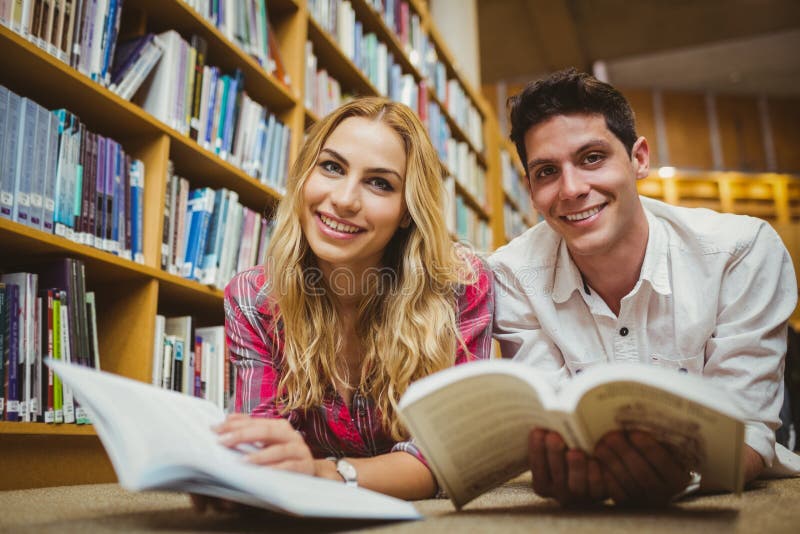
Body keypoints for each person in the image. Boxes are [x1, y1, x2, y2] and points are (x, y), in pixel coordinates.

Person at [490, 68, 798, 507]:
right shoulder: (511, 274)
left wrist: (679, 473)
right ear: (530, 190)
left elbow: (745, 431)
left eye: (592, 157)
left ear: (639, 159)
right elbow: (556, 433)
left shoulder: (741, 252)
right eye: (546, 172)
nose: (572, 189)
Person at [207, 97, 493, 504]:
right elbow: (264, 442)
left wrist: (324, 473)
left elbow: (452, 459)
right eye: (332, 167)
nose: (344, 199)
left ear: (407, 211)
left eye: (380, 183)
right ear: (305, 175)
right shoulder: (254, 298)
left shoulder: (461, 286)